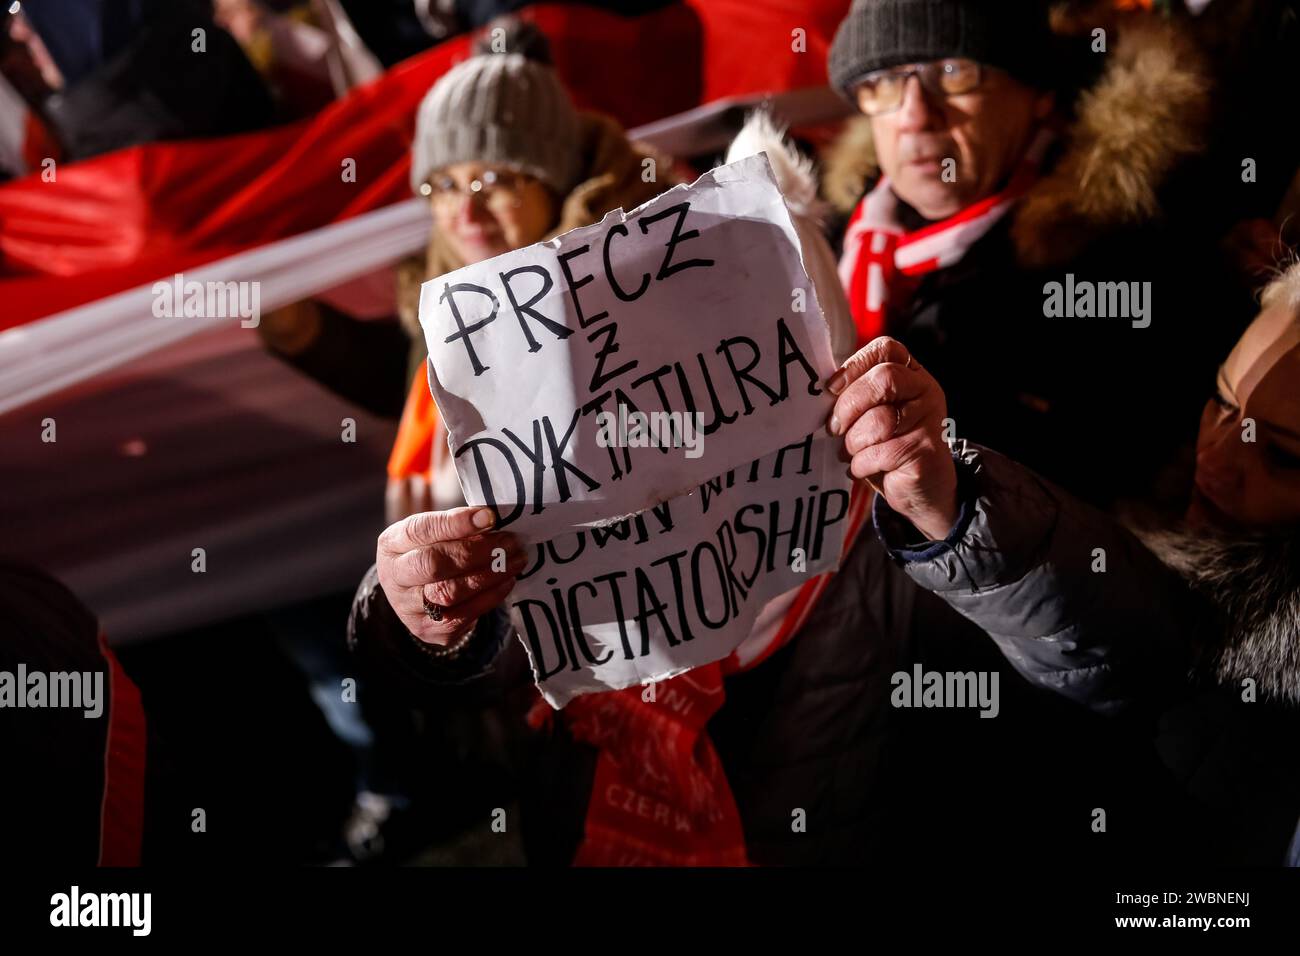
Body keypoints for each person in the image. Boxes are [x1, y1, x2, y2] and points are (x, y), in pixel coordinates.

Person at [842, 260, 1300, 863]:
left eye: (1282, 456)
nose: (1214, 456)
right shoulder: (1151, 505)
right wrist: (948, 503)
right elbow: (1118, 616)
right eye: (1220, 401)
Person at [821, 0, 1249, 509]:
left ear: (1039, 93)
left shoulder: (1137, 271)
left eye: (955, 71)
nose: (913, 115)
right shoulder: (839, 236)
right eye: (883, 81)